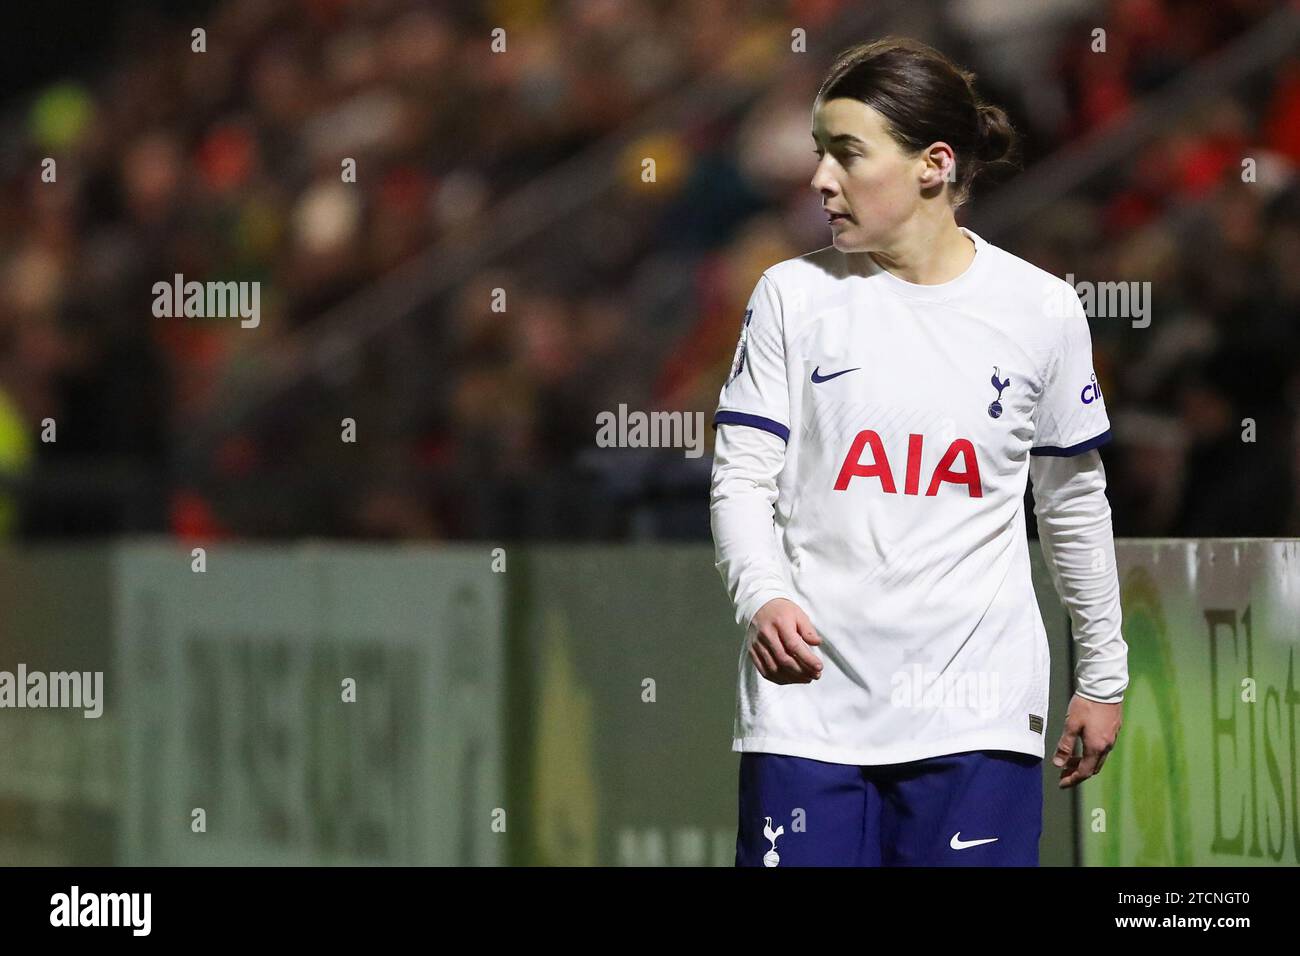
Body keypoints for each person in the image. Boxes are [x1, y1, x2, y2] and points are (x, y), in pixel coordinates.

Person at [710, 37, 1127, 867]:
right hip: (808, 714)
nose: (821, 179)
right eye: (819, 153)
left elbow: (1072, 501)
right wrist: (762, 596)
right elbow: (741, 478)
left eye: (848, 155)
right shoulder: (792, 296)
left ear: (934, 165)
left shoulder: (1040, 310)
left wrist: (1102, 673)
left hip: (977, 716)